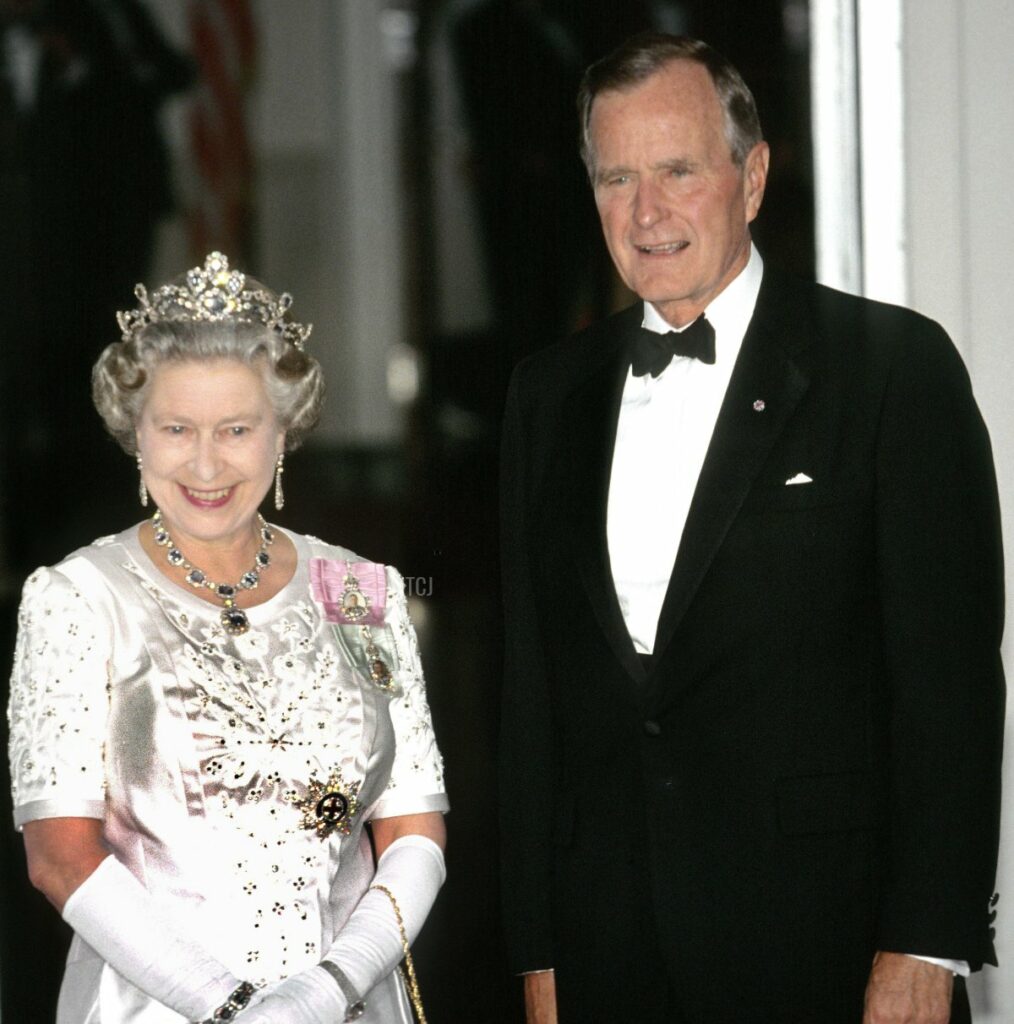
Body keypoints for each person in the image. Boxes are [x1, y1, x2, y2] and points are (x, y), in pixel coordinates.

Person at [498, 33, 1004, 1024]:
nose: (647, 213)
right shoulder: (544, 396)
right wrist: (539, 952)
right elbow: (532, 704)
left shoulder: (893, 370)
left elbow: (949, 687)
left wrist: (927, 939)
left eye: (679, 170)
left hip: (832, 953)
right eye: (617, 177)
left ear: (753, 175)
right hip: (611, 953)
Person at [7, 252, 448, 1023]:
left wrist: (328, 990)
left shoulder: (360, 590)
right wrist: (235, 1010)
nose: (206, 463)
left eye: (236, 429)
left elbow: (415, 830)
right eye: (176, 428)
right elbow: (59, 856)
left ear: (283, 434)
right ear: (135, 434)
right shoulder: (75, 598)